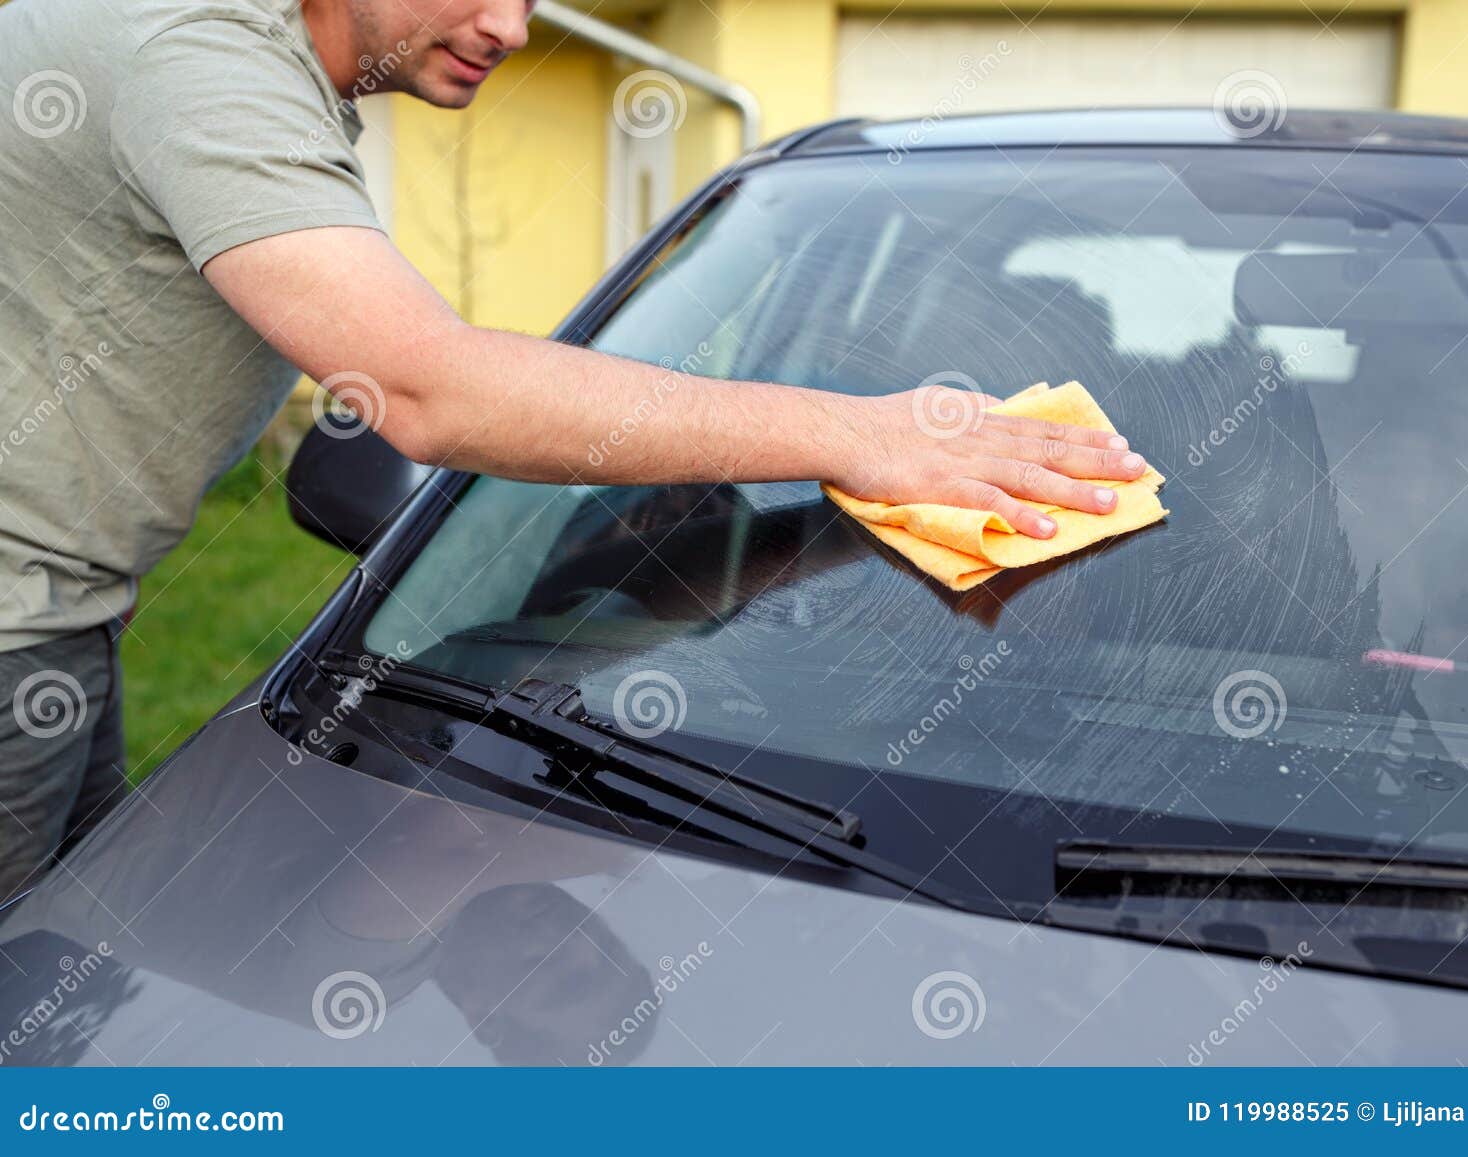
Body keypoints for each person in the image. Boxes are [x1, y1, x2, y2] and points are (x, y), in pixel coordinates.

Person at [0, 0, 1149, 900]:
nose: (513, 25)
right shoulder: (196, 59)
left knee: (65, 1003)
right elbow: (425, 386)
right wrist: (860, 433)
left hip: (59, 614)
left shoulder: (204, 49)